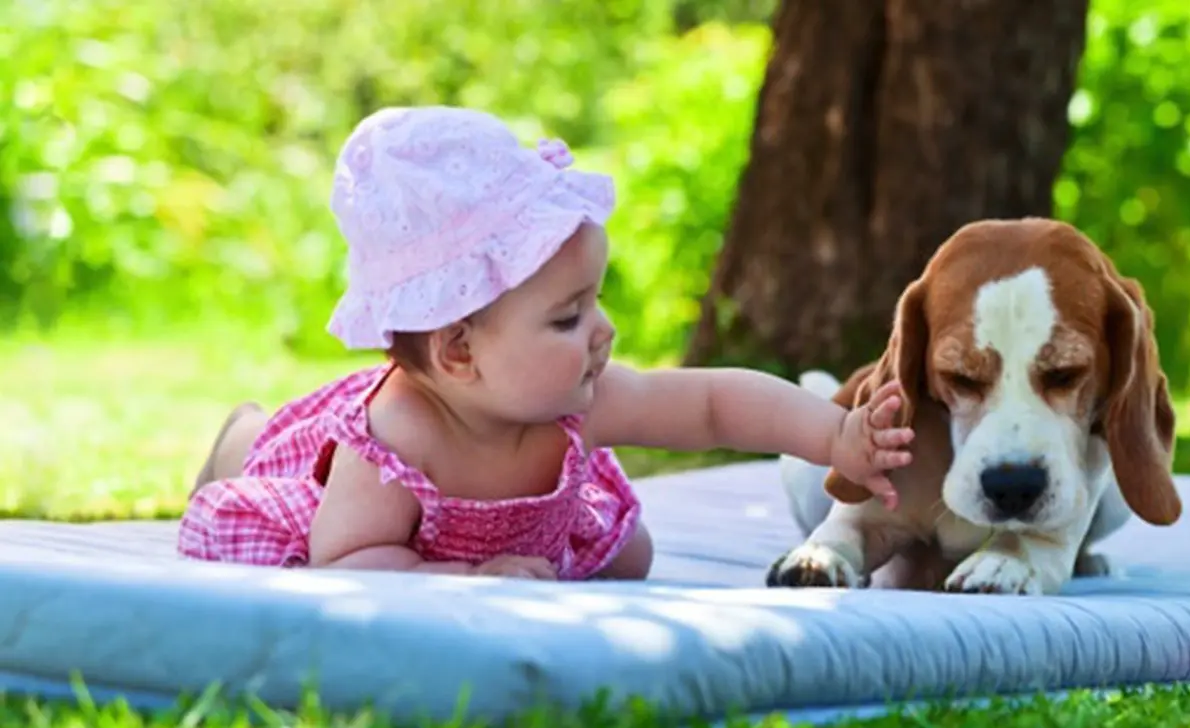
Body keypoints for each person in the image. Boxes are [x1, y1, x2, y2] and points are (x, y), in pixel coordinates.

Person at [178, 106, 915, 582]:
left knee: (629, 554)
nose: (604, 332)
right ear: (458, 352)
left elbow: (713, 405)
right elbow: (348, 561)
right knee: (265, 456)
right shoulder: (393, 442)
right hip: (327, 494)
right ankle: (239, 434)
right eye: (568, 319)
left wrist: (836, 437)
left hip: (513, 524)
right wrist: (467, 578)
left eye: (595, 302)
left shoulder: (576, 401)